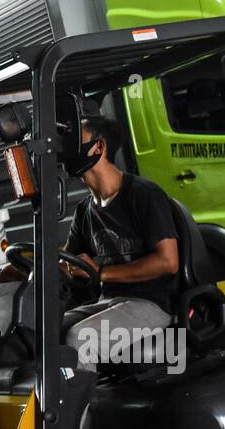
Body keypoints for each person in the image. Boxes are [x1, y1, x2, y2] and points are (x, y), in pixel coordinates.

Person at [60, 115, 179, 370]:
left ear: (99, 147)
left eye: (75, 140)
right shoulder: (84, 210)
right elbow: (66, 262)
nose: (67, 148)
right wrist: (17, 270)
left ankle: (82, 411)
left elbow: (168, 261)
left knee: (80, 340)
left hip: (150, 303)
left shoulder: (144, 194)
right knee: (47, 332)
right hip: (108, 301)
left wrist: (100, 272)